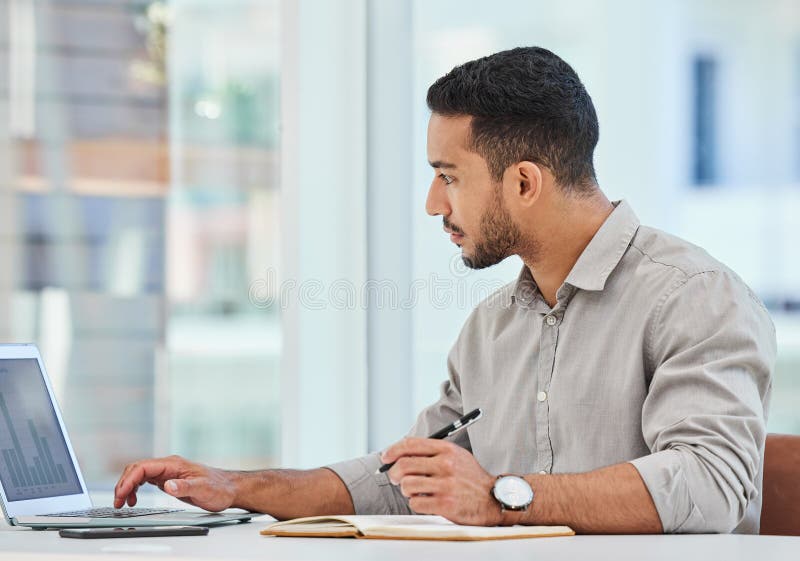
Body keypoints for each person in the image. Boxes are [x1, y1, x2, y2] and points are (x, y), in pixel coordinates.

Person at [114, 47, 775, 534]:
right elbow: (406, 482)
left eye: (448, 176)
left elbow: (710, 484)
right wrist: (237, 485)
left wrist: (504, 495)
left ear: (523, 183)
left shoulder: (695, 296)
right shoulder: (491, 327)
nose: (434, 204)